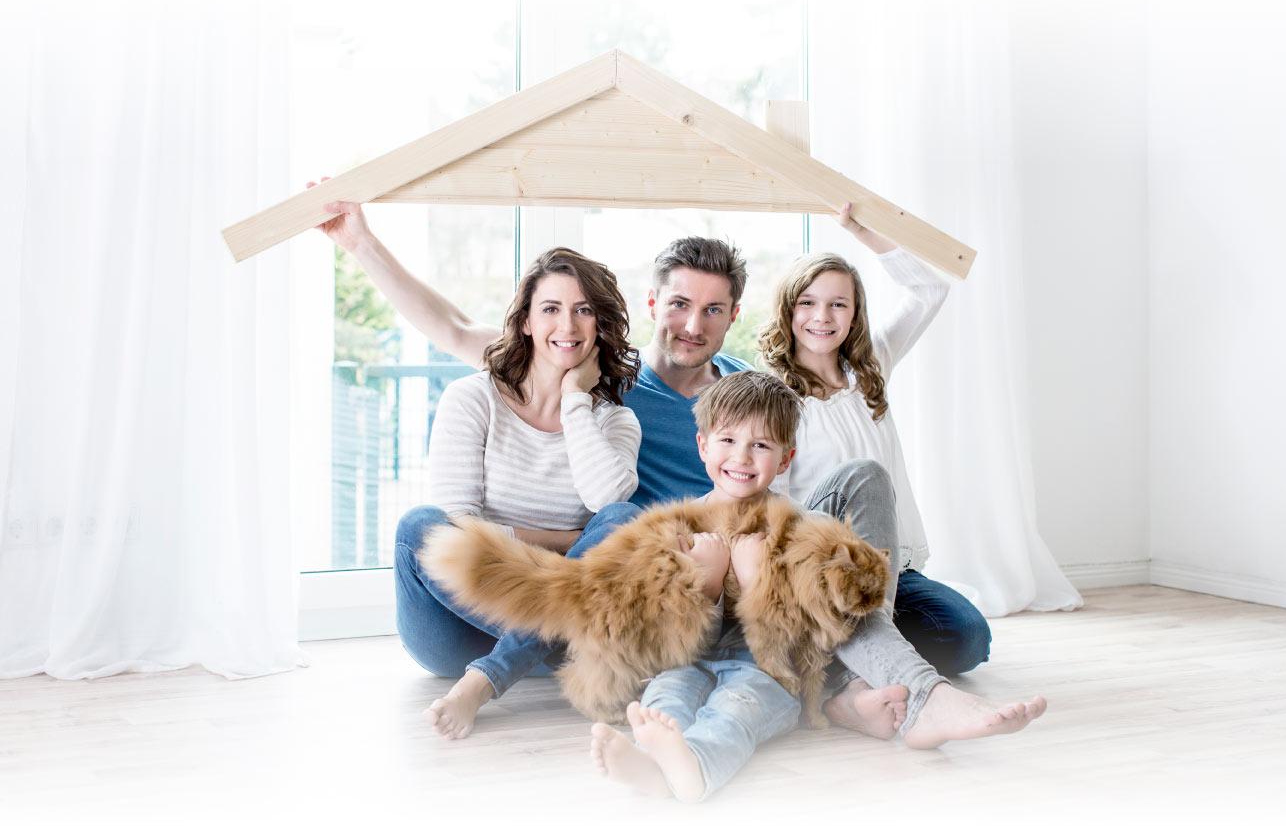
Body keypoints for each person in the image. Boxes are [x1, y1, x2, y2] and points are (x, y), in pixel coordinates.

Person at [321, 195, 1044, 748]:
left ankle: (855, 674)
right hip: (650, 586)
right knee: (593, 531)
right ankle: (845, 686)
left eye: (711, 310)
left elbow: (787, 473)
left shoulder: (746, 389)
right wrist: (359, 241)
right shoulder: (606, 381)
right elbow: (453, 328)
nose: (692, 325)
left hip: (736, 579)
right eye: (677, 305)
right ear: (649, 306)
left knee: (959, 635)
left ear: (733, 316)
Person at [312, 186, 645, 740]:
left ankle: (488, 680)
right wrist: (566, 542)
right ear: (528, 323)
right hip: (460, 628)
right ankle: (527, 646)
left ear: (600, 325)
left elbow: (607, 506)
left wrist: (575, 401)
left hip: (555, 626)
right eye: (552, 309)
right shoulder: (475, 399)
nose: (568, 324)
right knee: (419, 526)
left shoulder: (612, 421)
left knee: (620, 523)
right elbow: (460, 532)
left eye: (584, 310)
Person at [760, 202, 992, 678]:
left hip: (890, 570)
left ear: (854, 314)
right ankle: (850, 639)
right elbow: (775, 500)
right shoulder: (775, 394)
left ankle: (855, 644)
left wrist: (863, 232)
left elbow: (929, 290)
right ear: (788, 309)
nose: (822, 317)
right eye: (808, 302)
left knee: (968, 641)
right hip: (825, 569)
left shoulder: (871, 369)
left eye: (838, 304)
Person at [590, 371, 828, 801]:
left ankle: (694, 767)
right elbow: (671, 630)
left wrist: (756, 581)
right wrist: (709, 587)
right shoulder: (682, 525)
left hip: (767, 669)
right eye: (728, 440)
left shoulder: (797, 528)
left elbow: (800, 636)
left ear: (786, 458)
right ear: (702, 446)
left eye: (761, 445)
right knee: (665, 696)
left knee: (738, 709)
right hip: (692, 658)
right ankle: (655, 760)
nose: (742, 457)